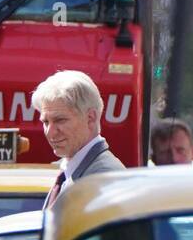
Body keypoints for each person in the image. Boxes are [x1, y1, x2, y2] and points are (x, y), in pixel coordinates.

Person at [32, 70, 126, 209]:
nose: (50, 132)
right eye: (46, 122)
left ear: (91, 118)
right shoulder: (72, 170)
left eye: (60, 120)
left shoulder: (104, 179)